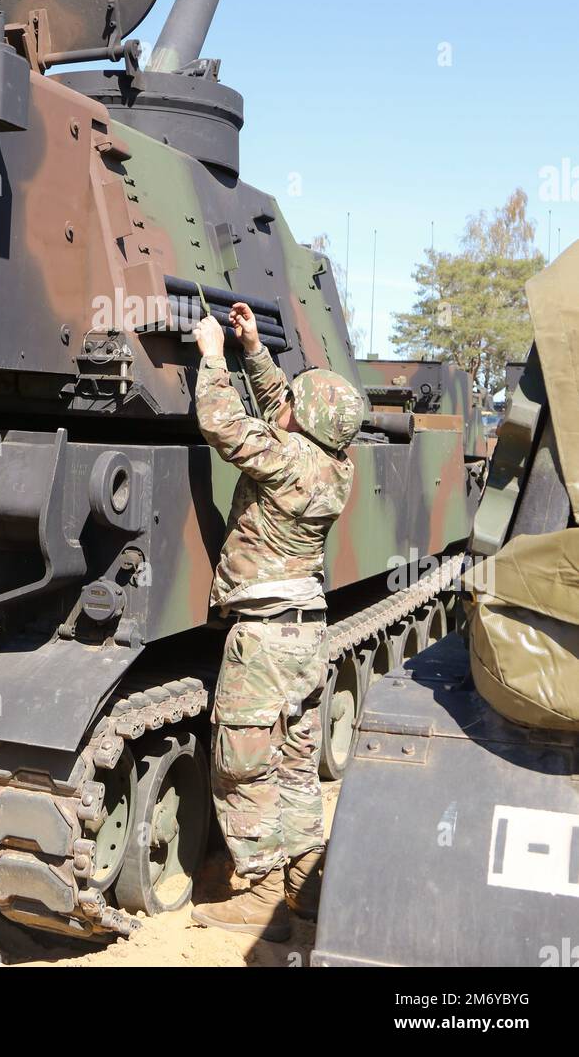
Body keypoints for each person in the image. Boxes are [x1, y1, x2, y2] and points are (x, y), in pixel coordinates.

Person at [190, 302, 364, 941]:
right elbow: (284, 413)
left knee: (244, 761)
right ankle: (303, 882)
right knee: (294, 759)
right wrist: (255, 350)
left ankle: (257, 894)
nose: (284, 405)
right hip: (306, 633)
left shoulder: (286, 459)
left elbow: (224, 423)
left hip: (263, 637)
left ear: (301, 423)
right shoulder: (334, 465)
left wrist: (214, 356)